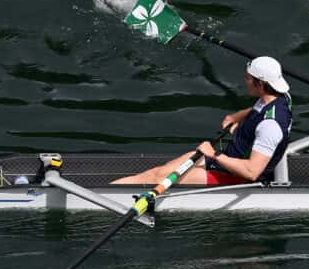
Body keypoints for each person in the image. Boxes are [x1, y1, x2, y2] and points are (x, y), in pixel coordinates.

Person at [113, 56, 293, 186]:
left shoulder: (270, 126)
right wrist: (237, 116)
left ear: (260, 84)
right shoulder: (280, 95)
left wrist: (214, 155)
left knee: (158, 180)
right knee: (158, 172)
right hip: (227, 159)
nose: (244, 80)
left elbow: (252, 172)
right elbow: (258, 109)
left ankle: (105, 201)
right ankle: (105, 192)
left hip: (236, 176)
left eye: (248, 78)